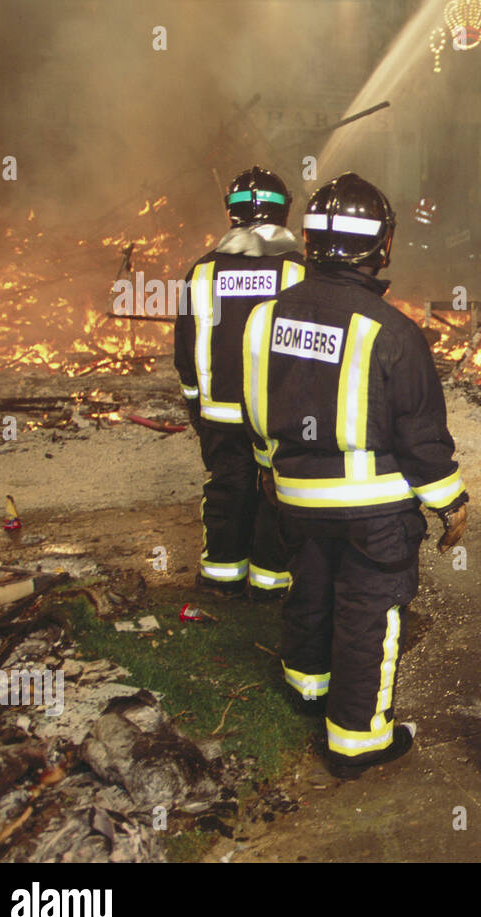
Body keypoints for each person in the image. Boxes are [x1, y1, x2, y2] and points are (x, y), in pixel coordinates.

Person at [241, 172, 468, 779]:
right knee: (370, 612)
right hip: (374, 511)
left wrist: (271, 470)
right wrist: (450, 500)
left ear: (311, 242)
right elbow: (420, 436)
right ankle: (358, 739)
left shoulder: (266, 318)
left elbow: (257, 411)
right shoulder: (390, 331)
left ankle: (307, 687)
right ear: (382, 246)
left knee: (310, 591)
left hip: (296, 497)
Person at [174, 166, 303, 599]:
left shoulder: (202, 271)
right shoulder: (299, 272)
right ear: (283, 210)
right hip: (276, 415)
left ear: (231, 214)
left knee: (227, 490)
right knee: (277, 494)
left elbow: (185, 350)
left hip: (219, 414)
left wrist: (196, 407)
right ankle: (268, 584)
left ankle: (220, 579)